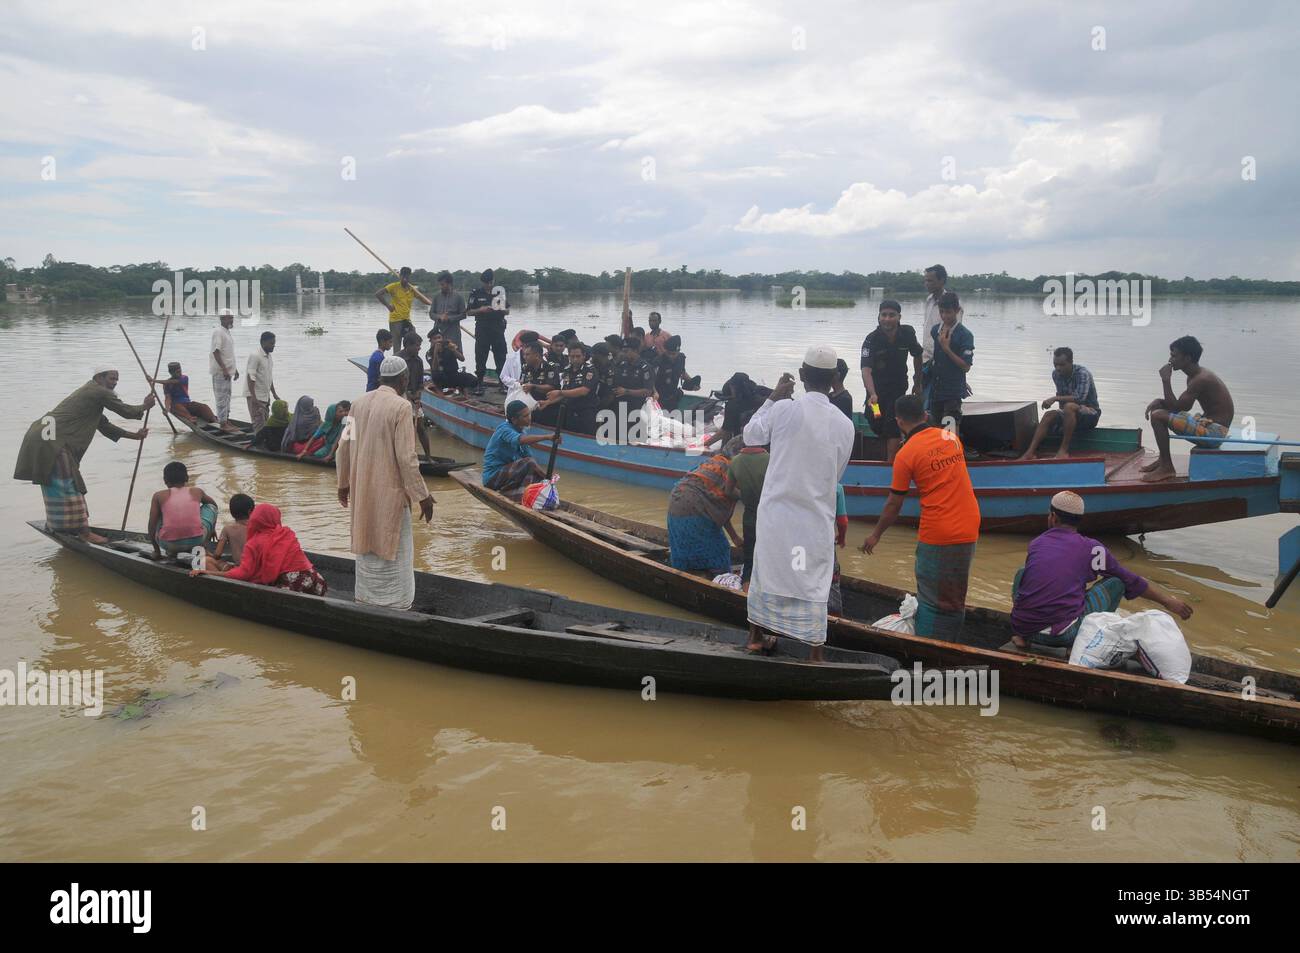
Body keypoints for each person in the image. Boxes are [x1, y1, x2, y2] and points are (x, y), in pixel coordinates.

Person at [742, 347, 855, 659]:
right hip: (814, 520)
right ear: (835, 378)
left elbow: (750, 436)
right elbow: (836, 475)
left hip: (777, 516)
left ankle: (755, 636)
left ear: (802, 375)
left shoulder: (783, 409)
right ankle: (815, 655)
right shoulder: (845, 425)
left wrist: (772, 397)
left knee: (768, 572)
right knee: (812, 582)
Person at [861, 394, 980, 639]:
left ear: (899, 421)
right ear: (925, 415)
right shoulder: (951, 438)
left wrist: (875, 535)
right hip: (969, 524)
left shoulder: (905, 454)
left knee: (932, 602)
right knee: (954, 598)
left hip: (939, 532)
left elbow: (894, 503)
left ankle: (927, 651)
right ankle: (952, 645)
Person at [1009, 490, 1193, 649]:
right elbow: (1130, 580)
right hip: (1062, 636)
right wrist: (1167, 601)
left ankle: (1021, 638)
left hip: (1023, 627)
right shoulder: (1092, 548)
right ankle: (1080, 644)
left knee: (1022, 572)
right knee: (1117, 582)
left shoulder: (1037, 543)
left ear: (1053, 517)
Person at [336, 356, 435, 610]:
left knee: (367, 540)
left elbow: (343, 447)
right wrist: (422, 495)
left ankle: (366, 599)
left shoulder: (357, 404)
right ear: (404, 379)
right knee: (395, 548)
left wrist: (343, 483)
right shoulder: (402, 407)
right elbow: (406, 458)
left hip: (362, 491)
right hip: (390, 493)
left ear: (381, 378)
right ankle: (396, 605)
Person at [14, 367, 153, 544]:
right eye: (112, 378)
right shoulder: (98, 391)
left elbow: (104, 425)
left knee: (54, 483)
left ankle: (58, 524)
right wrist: (145, 406)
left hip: (42, 435)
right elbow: (127, 411)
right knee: (70, 483)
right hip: (51, 439)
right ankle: (84, 532)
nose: (115, 383)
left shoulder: (90, 394)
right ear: (99, 377)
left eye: (117, 379)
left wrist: (135, 436)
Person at [1141, 335, 1235, 482]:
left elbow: (1177, 409)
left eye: (1174, 356)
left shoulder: (1201, 379)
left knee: (1158, 416)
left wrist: (1166, 380)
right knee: (1157, 410)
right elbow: (1178, 407)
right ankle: (1163, 460)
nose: (1170, 360)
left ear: (1187, 358)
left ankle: (1167, 468)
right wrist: (1160, 402)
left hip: (1215, 434)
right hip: (1208, 425)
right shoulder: (1194, 376)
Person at [188, 503, 328, 596]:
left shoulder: (254, 542)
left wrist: (207, 572)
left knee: (207, 562)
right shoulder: (286, 533)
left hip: (293, 587)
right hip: (316, 583)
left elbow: (242, 574)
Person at [861, 298, 923, 462]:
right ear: (879, 317)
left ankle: (891, 464)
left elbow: (917, 355)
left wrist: (918, 382)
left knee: (892, 425)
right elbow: (866, 370)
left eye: (891, 315)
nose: (887, 319)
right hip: (876, 393)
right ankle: (892, 446)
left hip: (897, 389)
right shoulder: (871, 340)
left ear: (899, 317)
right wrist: (872, 393)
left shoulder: (907, 333)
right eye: (884, 315)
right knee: (875, 419)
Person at [667, 448, 741, 574]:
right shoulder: (732, 469)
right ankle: (718, 578)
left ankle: (686, 574)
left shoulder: (713, 462)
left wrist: (734, 537)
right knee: (720, 550)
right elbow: (727, 499)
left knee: (685, 548)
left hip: (676, 503)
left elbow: (718, 510)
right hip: (695, 510)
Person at [1019, 347, 1102, 459]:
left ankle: (1063, 450)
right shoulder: (1056, 374)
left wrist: (1055, 398)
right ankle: (1029, 452)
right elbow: (1062, 402)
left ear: (1071, 362)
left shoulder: (1082, 374)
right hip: (1071, 412)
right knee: (1049, 415)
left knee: (1069, 406)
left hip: (1090, 414)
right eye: (1055, 364)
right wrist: (1061, 420)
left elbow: (1080, 398)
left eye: (1062, 365)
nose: (1058, 368)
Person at [482, 401, 560, 495]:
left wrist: (546, 478)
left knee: (535, 473)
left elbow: (530, 459)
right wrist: (547, 437)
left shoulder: (521, 432)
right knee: (529, 463)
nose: (529, 418)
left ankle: (526, 494)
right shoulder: (505, 430)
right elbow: (521, 441)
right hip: (492, 478)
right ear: (514, 420)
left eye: (529, 414)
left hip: (507, 476)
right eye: (525, 416)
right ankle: (518, 495)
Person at [148, 461, 218, 560]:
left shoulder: (158, 496)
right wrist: (212, 529)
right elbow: (213, 505)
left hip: (168, 544)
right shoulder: (197, 491)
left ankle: (172, 552)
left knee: (158, 514)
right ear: (187, 478)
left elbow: (151, 525)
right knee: (210, 507)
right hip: (198, 540)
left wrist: (157, 551)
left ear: (165, 480)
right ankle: (203, 547)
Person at [533, 341, 601, 435]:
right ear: (568, 356)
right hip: (570, 412)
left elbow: (584, 391)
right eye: (572, 356)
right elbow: (566, 392)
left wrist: (559, 392)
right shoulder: (567, 370)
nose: (575, 359)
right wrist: (548, 402)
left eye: (578, 356)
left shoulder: (590, 370)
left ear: (584, 356)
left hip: (586, 412)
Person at [725, 440, 769, 583]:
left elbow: (728, 491)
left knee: (749, 561)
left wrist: (743, 496)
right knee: (770, 559)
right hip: (770, 519)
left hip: (750, 518)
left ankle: (746, 590)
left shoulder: (736, 461)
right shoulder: (771, 459)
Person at [928, 291, 972, 430]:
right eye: (941, 312)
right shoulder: (935, 330)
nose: (944, 316)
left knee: (949, 429)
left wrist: (947, 349)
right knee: (935, 428)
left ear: (957, 311)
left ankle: (954, 445)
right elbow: (937, 358)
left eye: (948, 312)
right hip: (936, 389)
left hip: (952, 391)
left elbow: (966, 367)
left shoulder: (964, 335)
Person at [921, 264, 963, 402]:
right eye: (925, 280)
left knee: (939, 400)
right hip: (926, 359)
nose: (926, 284)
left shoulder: (953, 305)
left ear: (942, 280)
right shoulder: (928, 300)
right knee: (924, 398)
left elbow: (954, 335)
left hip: (942, 361)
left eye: (930, 280)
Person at [467, 268, 510, 394]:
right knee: (481, 357)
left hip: (498, 329)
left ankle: (502, 383)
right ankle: (479, 383)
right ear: (483, 282)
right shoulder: (475, 293)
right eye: (487, 283)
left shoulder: (499, 292)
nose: (489, 285)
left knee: (501, 356)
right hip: (482, 329)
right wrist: (481, 310)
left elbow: (507, 311)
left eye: (491, 282)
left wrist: (499, 308)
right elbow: (468, 312)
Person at [703, 372, 769, 449]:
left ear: (733, 388)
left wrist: (703, 445)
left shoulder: (734, 405)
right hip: (770, 440)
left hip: (748, 445)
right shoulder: (762, 391)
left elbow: (725, 432)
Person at [376, 266, 432, 350]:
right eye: (403, 276)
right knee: (397, 345)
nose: (405, 279)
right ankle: (397, 357)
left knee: (413, 340)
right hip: (395, 320)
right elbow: (378, 294)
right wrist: (388, 306)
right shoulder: (393, 286)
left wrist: (432, 304)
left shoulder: (412, 289)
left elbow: (422, 299)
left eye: (407, 276)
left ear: (409, 277)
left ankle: (409, 357)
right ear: (400, 276)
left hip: (406, 320)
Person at [399, 331, 433, 459]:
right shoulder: (398, 360)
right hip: (400, 397)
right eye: (417, 345)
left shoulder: (418, 361)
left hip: (413, 398)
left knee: (420, 427)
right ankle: (402, 455)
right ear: (408, 345)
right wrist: (408, 396)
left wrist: (418, 396)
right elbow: (396, 384)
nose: (419, 348)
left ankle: (428, 457)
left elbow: (420, 383)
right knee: (402, 429)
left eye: (419, 345)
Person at [611, 336, 655, 433]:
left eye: (626, 351)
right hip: (619, 408)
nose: (624, 354)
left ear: (635, 351)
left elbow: (648, 391)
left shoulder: (645, 368)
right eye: (623, 351)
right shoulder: (621, 365)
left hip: (637, 409)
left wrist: (626, 392)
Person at [152, 361, 217, 424]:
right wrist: (166, 409)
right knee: (178, 408)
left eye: (180, 371)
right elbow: (167, 398)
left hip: (187, 403)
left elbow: (173, 382)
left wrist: (154, 381)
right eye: (177, 372)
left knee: (204, 407)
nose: (179, 373)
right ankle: (190, 418)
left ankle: (214, 419)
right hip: (176, 405)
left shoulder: (184, 378)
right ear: (171, 372)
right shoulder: (166, 385)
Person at [209, 308, 240, 431]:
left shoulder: (226, 332)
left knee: (227, 397)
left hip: (227, 372)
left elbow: (228, 354)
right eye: (229, 318)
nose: (232, 320)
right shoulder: (218, 332)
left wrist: (234, 369)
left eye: (232, 318)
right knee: (221, 398)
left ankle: (226, 420)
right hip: (221, 372)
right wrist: (225, 369)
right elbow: (216, 352)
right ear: (222, 319)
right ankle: (223, 423)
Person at [207, 492, 254, 571]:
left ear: (231, 513)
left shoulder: (227, 529)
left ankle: (220, 576)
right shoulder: (258, 527)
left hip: (240, 569)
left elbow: (217, 554)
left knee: (207, 561)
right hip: (256, 569)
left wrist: (207, 553)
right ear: (250, 511)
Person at [244, 331, 279, 431]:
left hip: (265, 396)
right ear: (263, 342)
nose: (273, 346)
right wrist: (254, 398)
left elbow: (269, 378)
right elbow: (250, 377)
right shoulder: (255, 356)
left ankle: (263, 439)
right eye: (271, 343)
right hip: (256, 396)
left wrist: (274, 394)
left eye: (274, 343)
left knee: (265, 424)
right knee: (258, 424)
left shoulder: (269, 357)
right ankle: (258, 440)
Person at [429, 271, 467, 348]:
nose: (440, 287)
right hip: (437, 332)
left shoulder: (459, 297)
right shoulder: (436, 296)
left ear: (450, 284)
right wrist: (440, 317)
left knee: (454, 352)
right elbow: (431, 314)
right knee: (436, 353)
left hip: (453, 332)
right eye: (440, 284)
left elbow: (463, 315)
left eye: (442, 284)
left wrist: (449, 318)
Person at [654, 336, 690, 411]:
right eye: (668, 353)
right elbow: (650, 380)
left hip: (673, 398)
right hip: (659, 398)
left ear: (678, 351)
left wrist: (691, 381)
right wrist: (654, 392)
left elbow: (682, 372)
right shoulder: (658, 361)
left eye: (673, 354)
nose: (670, 356)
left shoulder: (681, 359)